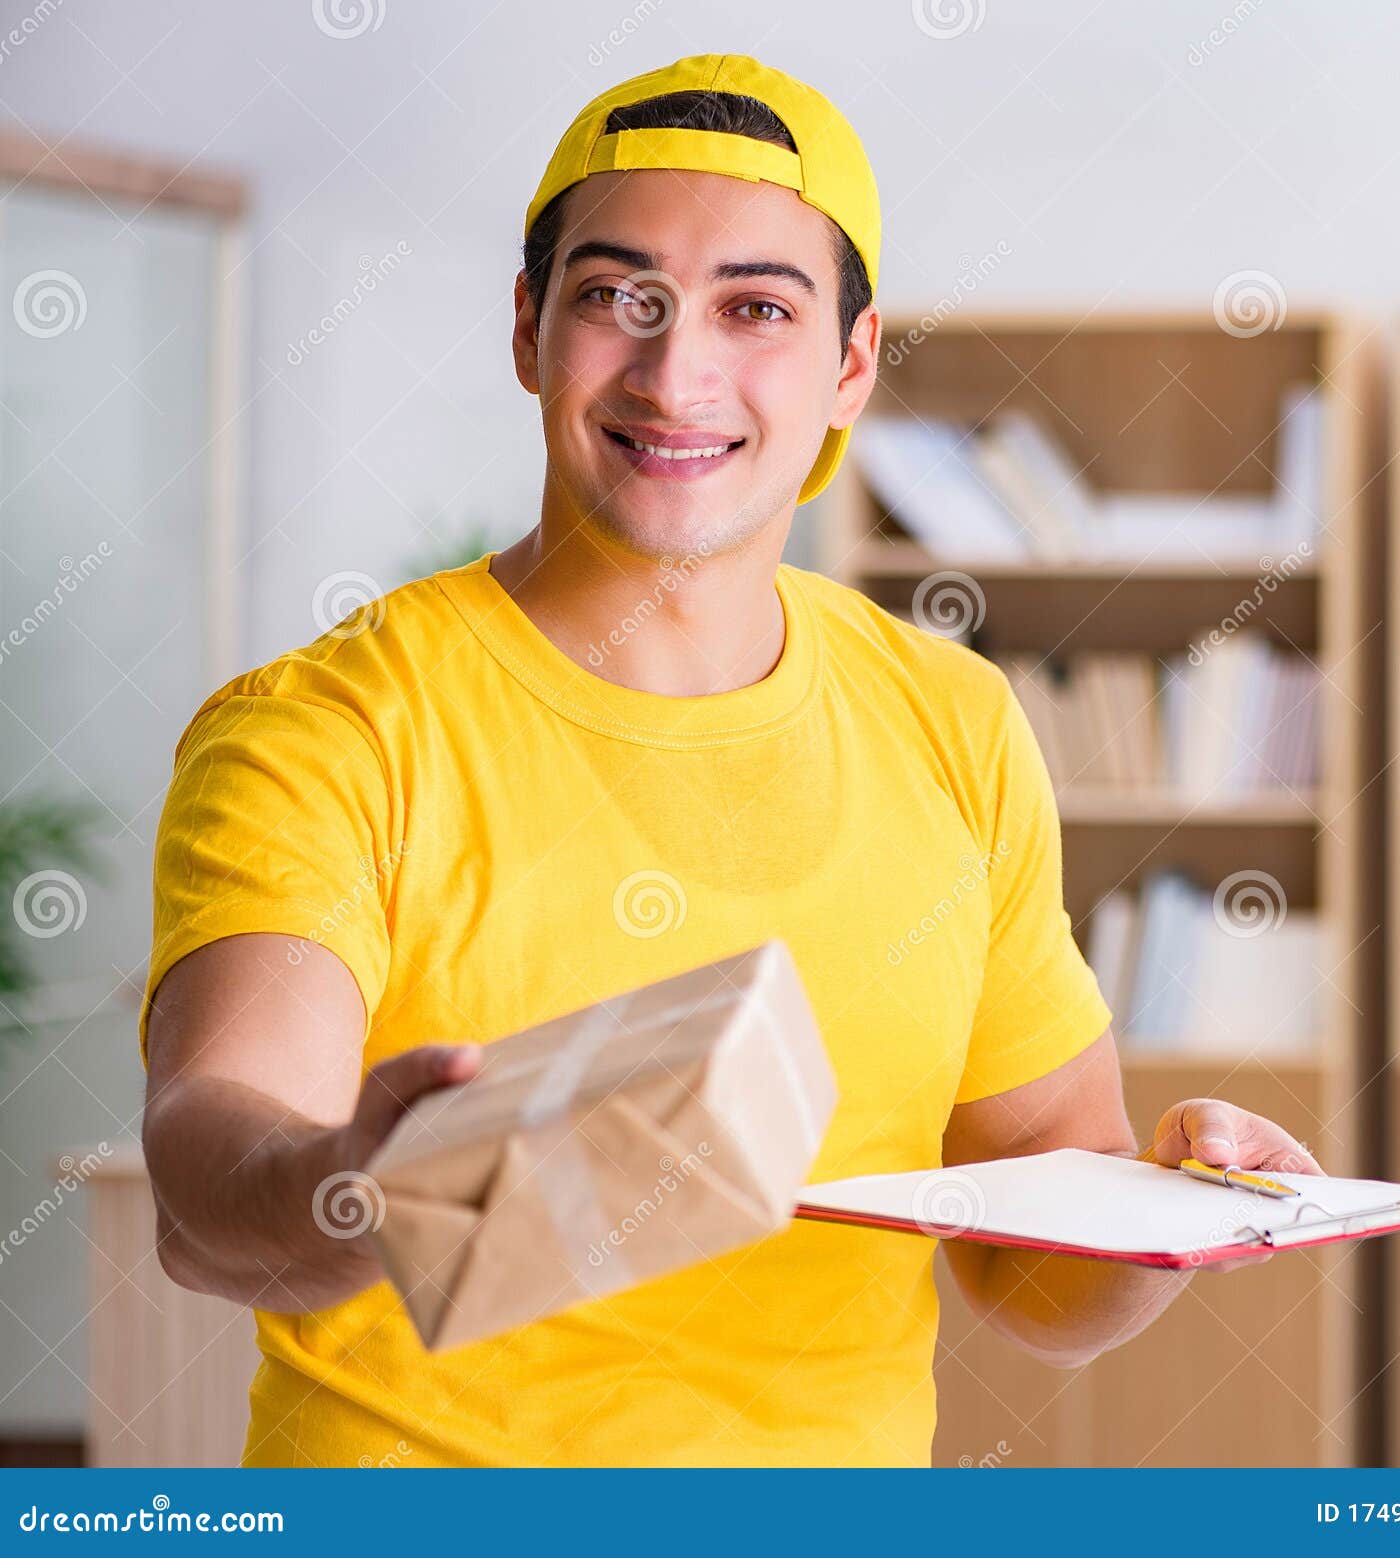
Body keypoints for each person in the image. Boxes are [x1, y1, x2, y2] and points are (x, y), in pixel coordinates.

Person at [138, 51, 1321, 1469]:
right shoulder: (327, 728)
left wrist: (1186, 1211)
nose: (675, 367)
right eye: (614, 296)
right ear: (528, 331)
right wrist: (353, 1181)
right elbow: (212, 1170)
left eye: (753, 307)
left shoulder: (952, 720)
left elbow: (1033, 1266)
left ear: (850, 365)